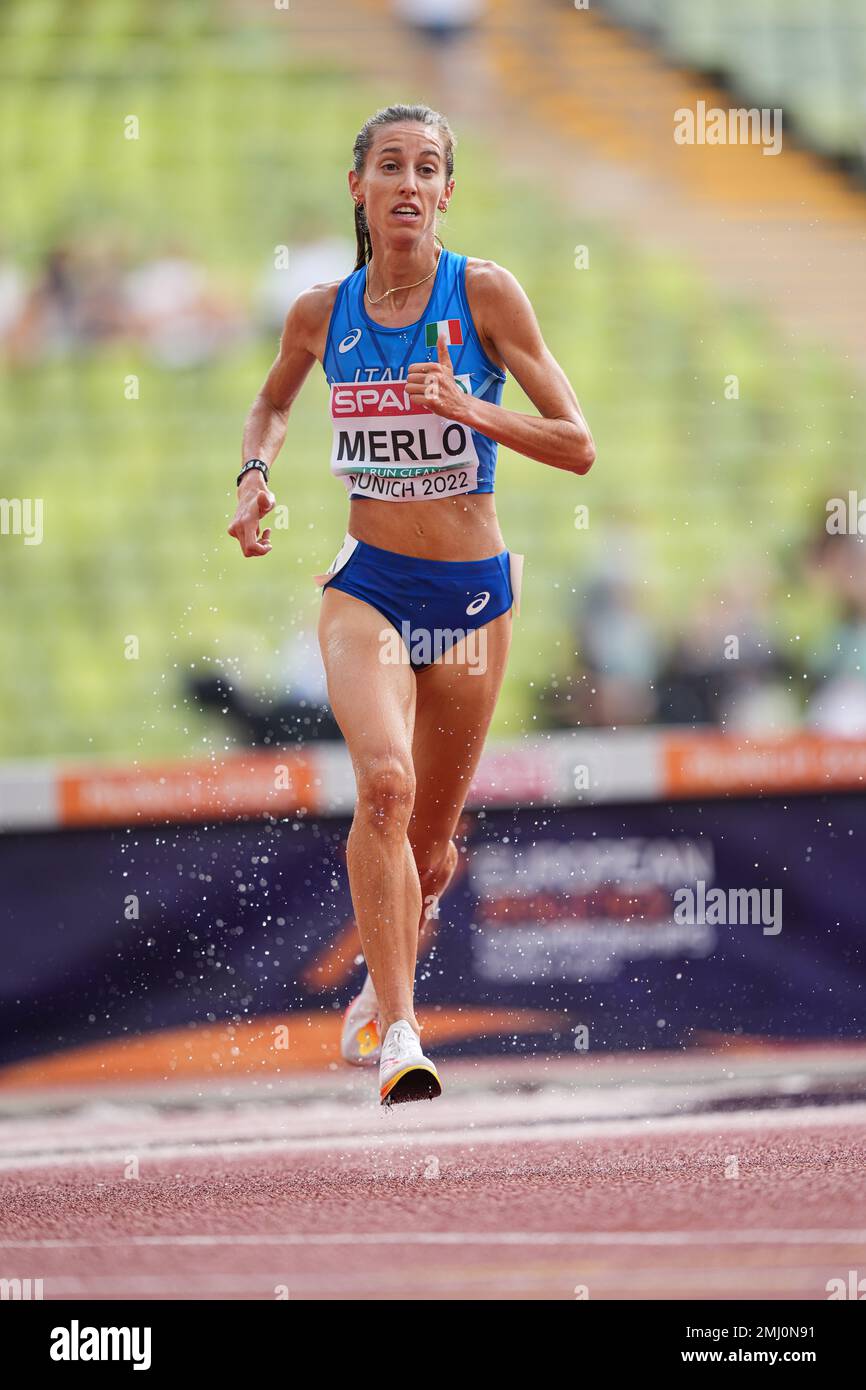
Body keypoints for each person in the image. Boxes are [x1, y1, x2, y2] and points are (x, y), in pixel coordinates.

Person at [228, 103, 595, 1104]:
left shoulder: (483, 293)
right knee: (382, 787)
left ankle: (373, 988)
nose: (405, 182)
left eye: (425, 167)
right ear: (359, 187)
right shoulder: (318, 311)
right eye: (387, 165)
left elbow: (576, 444)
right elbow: (271, 401)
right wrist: (252, 475)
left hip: (472, 599)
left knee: (428, 854)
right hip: (370, 588)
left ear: (443, 192)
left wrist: (467, 407)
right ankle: (399, 1034)